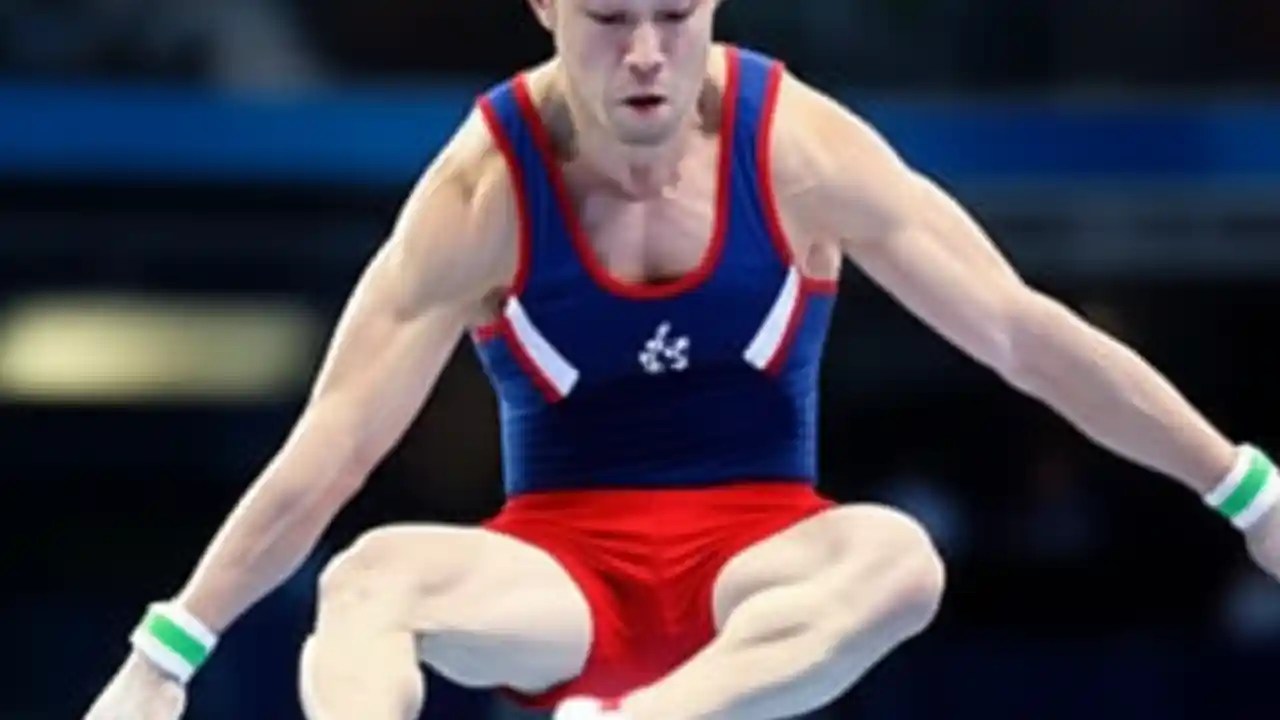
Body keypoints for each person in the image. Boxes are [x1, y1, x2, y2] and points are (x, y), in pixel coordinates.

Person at [84, 1, 1280, 719]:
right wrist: (168, 646)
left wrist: (1244, 488)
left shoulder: (798, 147)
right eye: (610, 19)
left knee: (902, 560)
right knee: (364, 586)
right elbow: (334, 443)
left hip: (759, 576)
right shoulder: (482, 190)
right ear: (547, 6)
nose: (648, 54)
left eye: (675, 14)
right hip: (556, 580)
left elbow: (1023, 334)